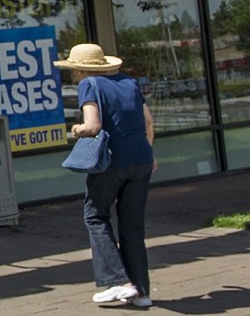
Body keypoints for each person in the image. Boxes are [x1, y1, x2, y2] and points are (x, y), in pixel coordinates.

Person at [56, 43, 156, 308]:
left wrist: (77, 129)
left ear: (78, 70)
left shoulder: (89, 85)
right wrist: (148, 152)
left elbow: (93, 125)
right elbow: (147, 121)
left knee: (95, 215)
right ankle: (142, 293)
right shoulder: (129, 83)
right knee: (132, 226)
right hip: (142, 159)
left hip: (112, 161)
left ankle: (118, 281)